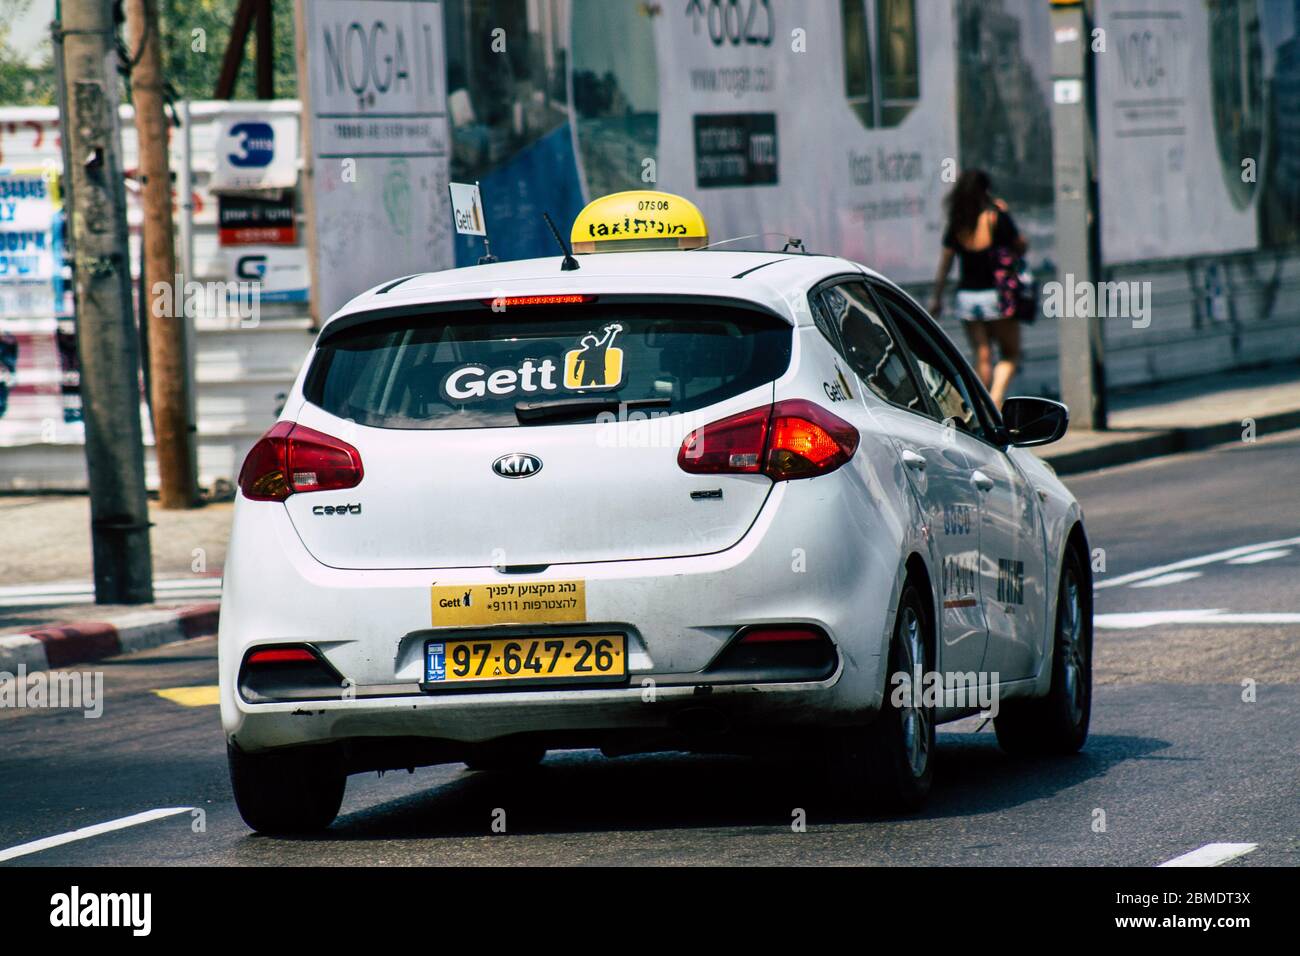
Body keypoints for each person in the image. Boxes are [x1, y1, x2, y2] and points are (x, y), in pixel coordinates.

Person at [928, 170, 1028, 407]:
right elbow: (1021, 247)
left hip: (967, 297)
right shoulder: (996, 217)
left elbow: (945, 265)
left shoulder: (958, 223)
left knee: (982, 355)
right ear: (985, 190)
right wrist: (1005, 212)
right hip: (996, 295)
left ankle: (979, 408)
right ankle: (995, 399)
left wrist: (937, 297)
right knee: (1010, 353)